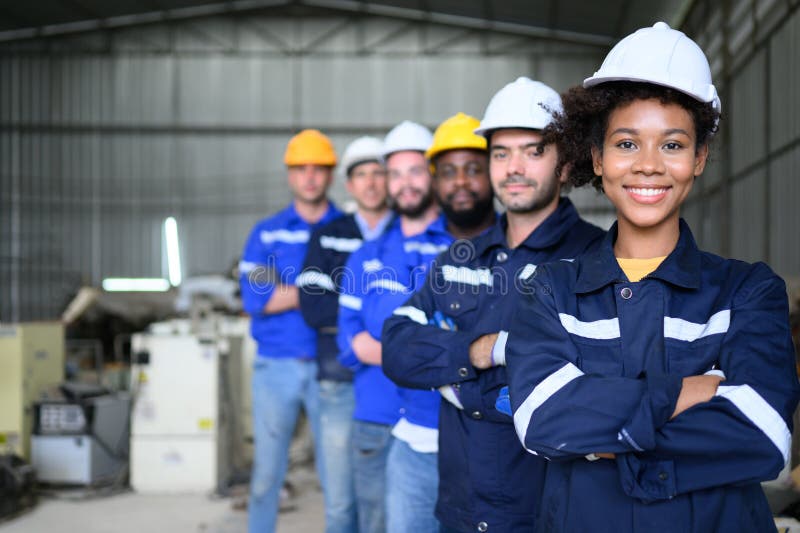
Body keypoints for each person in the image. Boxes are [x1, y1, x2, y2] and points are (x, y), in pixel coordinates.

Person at [501, 22, 800, 532]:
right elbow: (541, 421)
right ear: (597, 158)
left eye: (672, 145)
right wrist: (688, 392)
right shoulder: (551, 290)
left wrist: (604, 437)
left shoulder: (748, 291)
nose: (648, 165)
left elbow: (765, 433)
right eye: (626, 143)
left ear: (699, 158)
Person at [382, 78, 605, 533]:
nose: (514, 168)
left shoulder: (596, 259)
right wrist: (480, 350)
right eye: (501, 154)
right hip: (461, 511)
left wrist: (459, 386)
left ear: (565, 165)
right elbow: (397, 345)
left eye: (533, 151)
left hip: (547, 514)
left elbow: (590, 387)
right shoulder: (461, 257)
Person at [338, 116, 495, 533]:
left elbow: (479, 337)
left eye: (415, 171)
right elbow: (353, 338)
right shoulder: (370, 254)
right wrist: (435, 352)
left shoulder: (464, 246)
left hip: (453, 424)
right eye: (395, 174)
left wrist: (412, 349)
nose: (405, 183)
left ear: (432, 176)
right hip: (382, 418)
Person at [239, 129, 341, 533]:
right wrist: (319, 288)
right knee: (266, 476)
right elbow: (256, 297)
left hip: (332, 367)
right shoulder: (268, 232)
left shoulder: (346, 229)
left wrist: (289, 287)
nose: (310, 177)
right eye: (301, 169)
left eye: (319, 168)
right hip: (276, 367)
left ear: (331, 174)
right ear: (289, 175)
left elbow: (354, 292)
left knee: (338, 478)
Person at [297, 136, 393, 533]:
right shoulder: (328, 234)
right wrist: (379, 321)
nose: (370, 183)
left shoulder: (405, 233)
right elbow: (313, 307)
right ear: (349, 185)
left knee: (383, 502)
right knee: (340, 504)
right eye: (361, 175)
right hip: (339, 382)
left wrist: (351, 314)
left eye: (378, 174)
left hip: (391, 385)